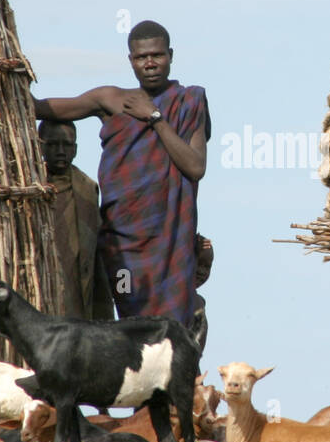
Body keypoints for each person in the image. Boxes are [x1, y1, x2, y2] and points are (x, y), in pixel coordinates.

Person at [33, 20, 209, 327]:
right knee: (131, 316)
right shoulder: (110, 99)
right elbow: (41, 108)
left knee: (171, 327)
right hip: (122, 237)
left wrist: (154, 118)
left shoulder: (190, 101)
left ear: (170, 55)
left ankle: (174, 374)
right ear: (131, 60)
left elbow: (195, 167)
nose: (150, 63)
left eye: (157, 55)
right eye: (141, 57)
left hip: (169, 239)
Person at [38, 118, 115, 320]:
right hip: (39, 277)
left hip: (78, 280)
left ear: (76, 149)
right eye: (53, 145)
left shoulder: (87, 188)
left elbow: (95, 248)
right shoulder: (30, 187)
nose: (61, 151)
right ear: (40, 145)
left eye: (67, 145)